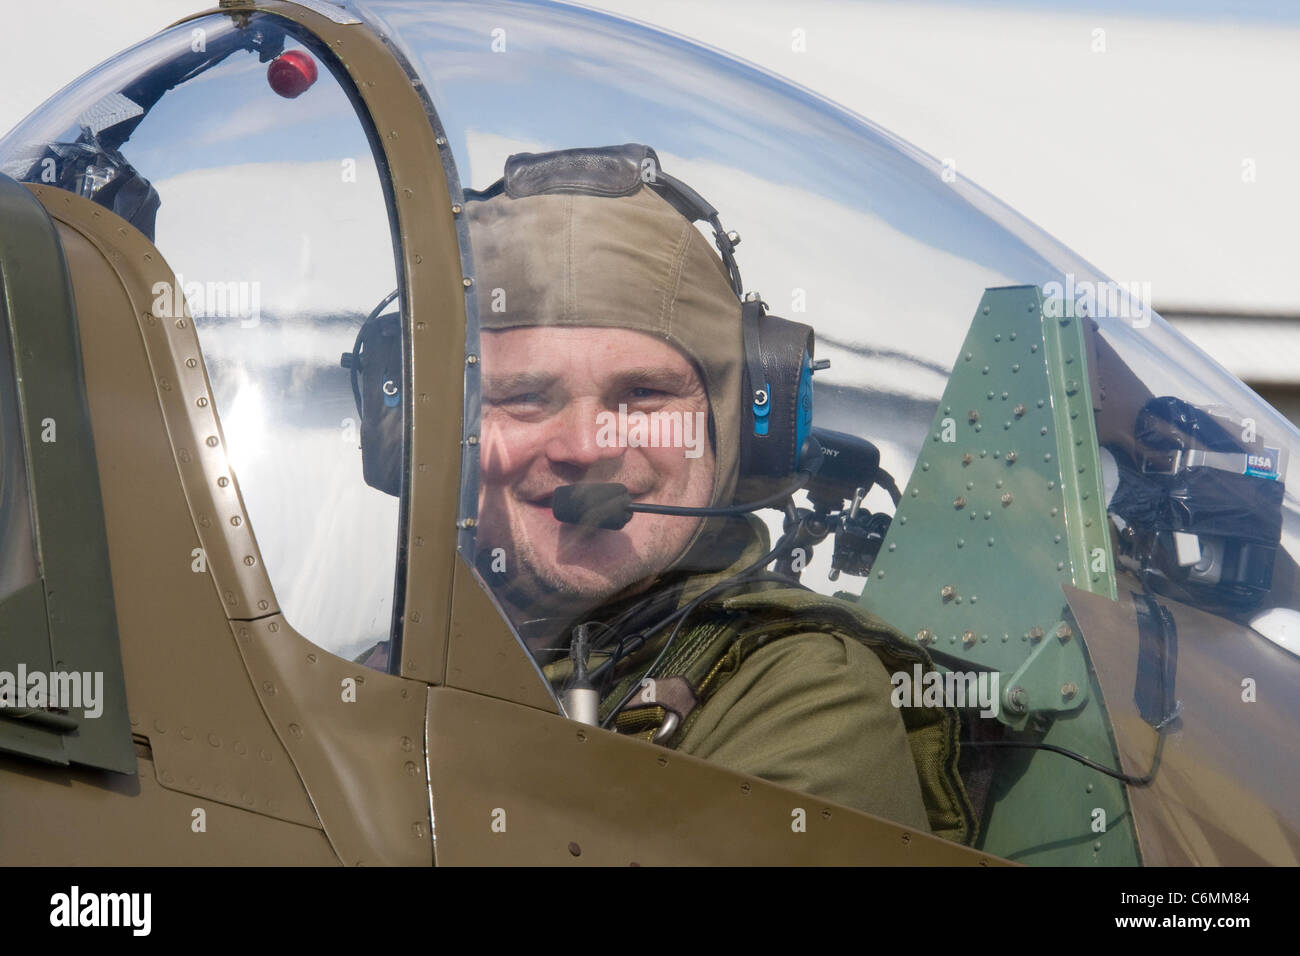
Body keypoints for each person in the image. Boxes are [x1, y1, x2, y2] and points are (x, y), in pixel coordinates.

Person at [466, 145, 974, 842]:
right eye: (524, 397)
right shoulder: (397, 659)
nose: (585, 446)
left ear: (738, 423)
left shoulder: (801, 695)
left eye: (642, 394)